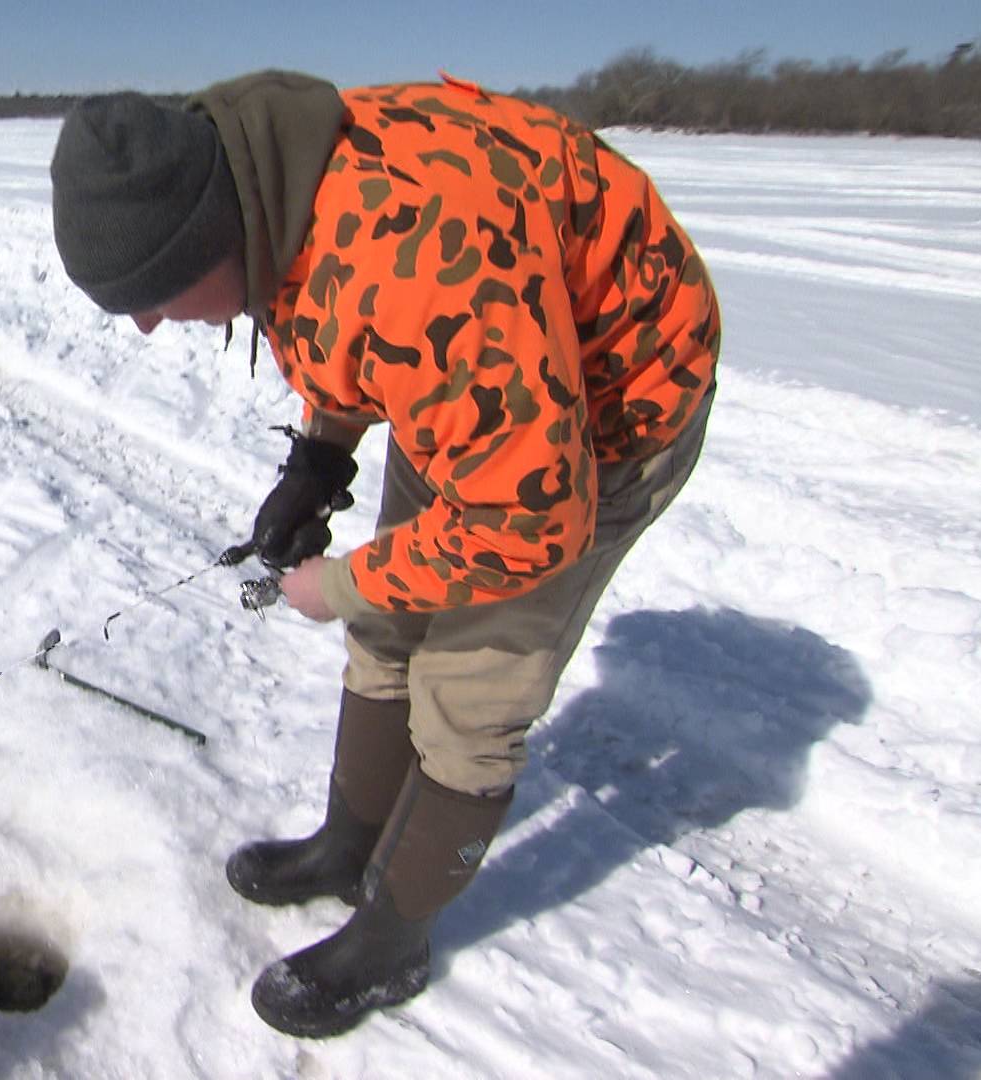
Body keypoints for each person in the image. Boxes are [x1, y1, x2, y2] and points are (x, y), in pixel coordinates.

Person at [48, 70, 719, 1038]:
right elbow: (346, 318)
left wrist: (350, 581)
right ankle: (349, 842)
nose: (151, 324)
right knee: (392, 624)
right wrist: (320, 460)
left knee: (468, 691)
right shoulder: (268, 173)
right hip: (490, 376)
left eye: (152, 296)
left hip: (606, 418)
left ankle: (393, 942)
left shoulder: (414, 264)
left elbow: (528, 514)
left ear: (209, 239)